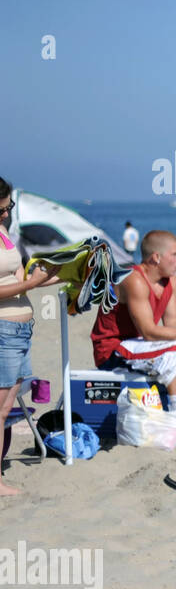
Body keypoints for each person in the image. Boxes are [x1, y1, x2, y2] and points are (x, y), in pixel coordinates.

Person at [89, 230, 176, 435]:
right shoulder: (134, 280)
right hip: (112, 349)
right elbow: (149, 332)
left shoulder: (169, 280)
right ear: (156, 257)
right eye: (175, 254)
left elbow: (173, 322)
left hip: (139, 343)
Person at [0, 180, 60, 495]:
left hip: (20, 329)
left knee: (8, 406)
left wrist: (56, 275)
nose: (6, 213)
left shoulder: (4, 234)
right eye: (1, 209)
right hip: (3, 329)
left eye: (8, 207)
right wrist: (28, 285)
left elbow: (21, 277)